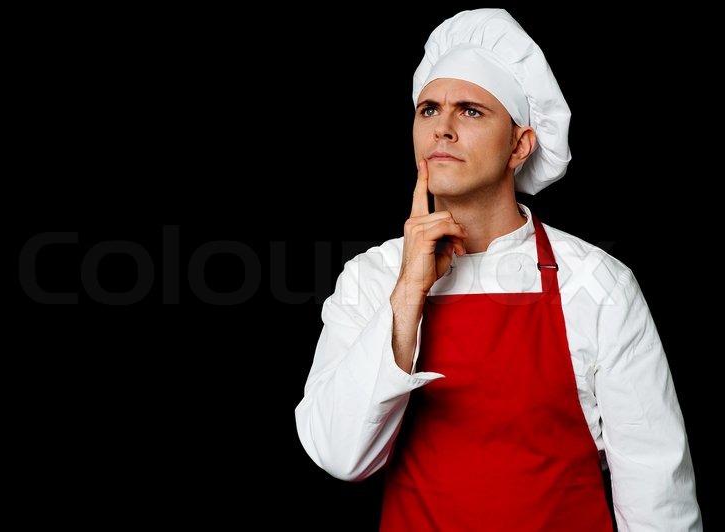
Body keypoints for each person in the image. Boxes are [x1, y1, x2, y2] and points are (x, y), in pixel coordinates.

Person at [294, 8, 701, 531]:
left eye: (470, 111)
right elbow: (339, 455)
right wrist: (409, 291)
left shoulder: (599, 285)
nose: (441, 127)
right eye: (427, 109)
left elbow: (656, 492)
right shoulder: (371, 278)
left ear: (520, 145)